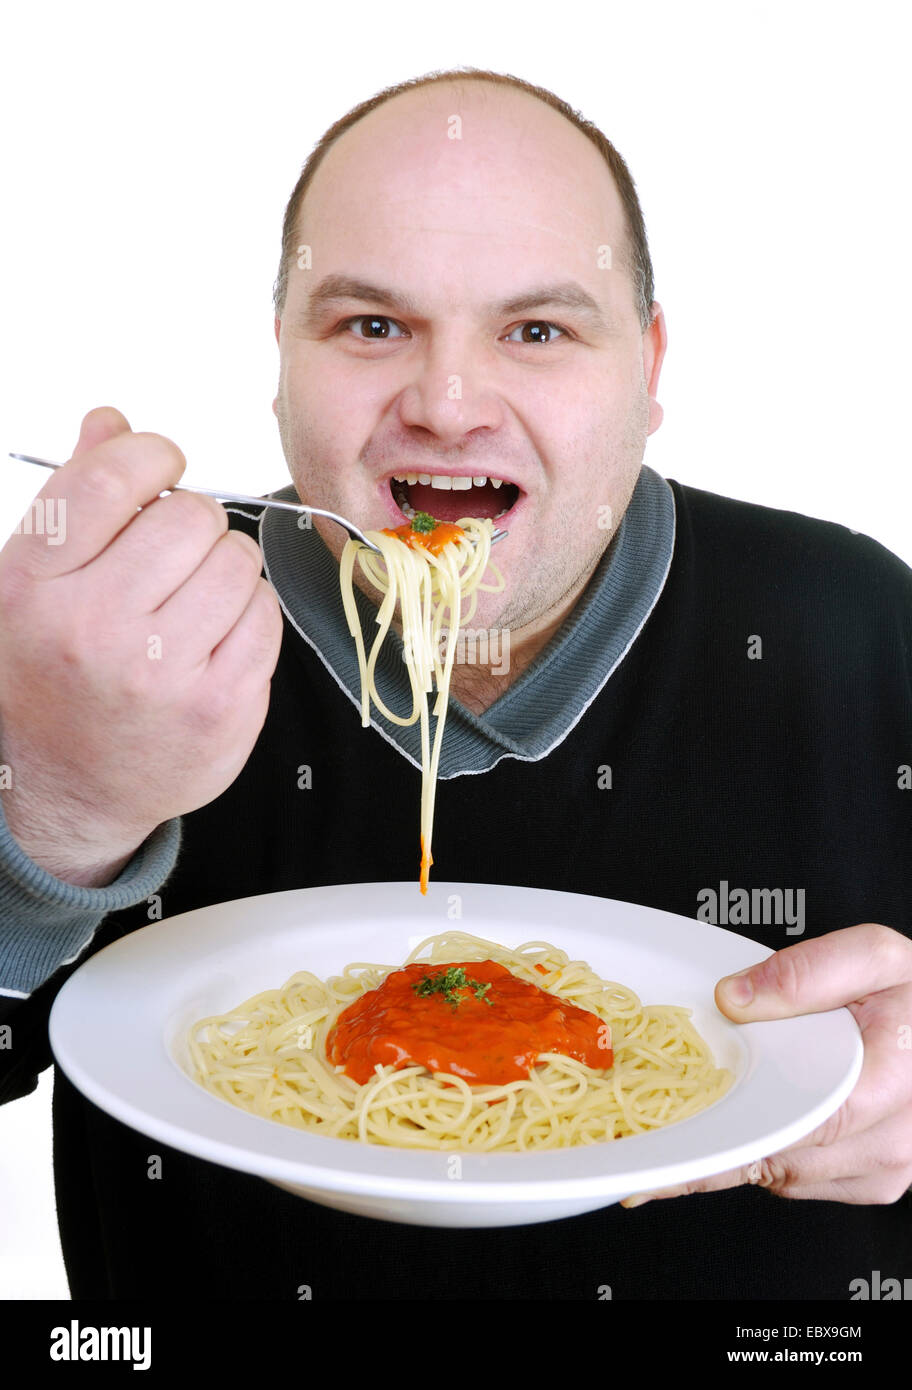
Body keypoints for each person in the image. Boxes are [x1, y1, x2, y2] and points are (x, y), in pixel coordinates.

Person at [1, 66, 910, 1302]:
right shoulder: (103, 634)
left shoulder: (857, 620)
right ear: (279, 360)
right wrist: (46, 809)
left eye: (538, 329)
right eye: (371, 326)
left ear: (648, 370)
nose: (446, 404)